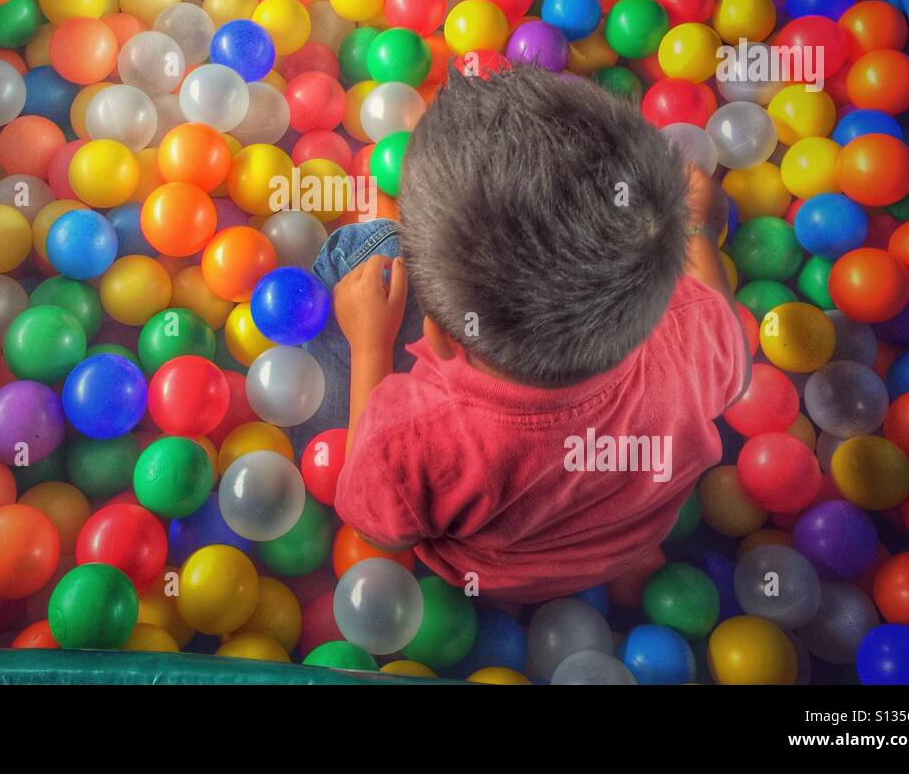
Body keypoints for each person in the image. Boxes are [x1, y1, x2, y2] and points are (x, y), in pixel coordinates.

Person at [300, 68, 749, 602]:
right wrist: (699, 229)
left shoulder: (416, 439)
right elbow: (728, 342)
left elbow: (370, 520)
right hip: (617, 544)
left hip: (481, 574)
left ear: (440, 339)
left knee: (366, 247)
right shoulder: (689, 329)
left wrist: (370, 344)